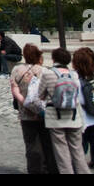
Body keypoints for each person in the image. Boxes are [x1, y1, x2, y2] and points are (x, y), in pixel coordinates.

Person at [37, 47, 88, 173]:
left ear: (54, 59)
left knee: (62, 152)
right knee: (78, 150)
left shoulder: (48, 74)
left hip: (56, 117)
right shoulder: (74, 74)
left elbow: (41, 95)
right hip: (73, 115)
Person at [10, 44, 55, 174]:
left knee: (31, 144)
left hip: (26, 113)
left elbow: (14, 89)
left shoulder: (17, 70)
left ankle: (34, 170)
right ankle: (48, 168)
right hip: (43, 112)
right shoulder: (45, 71)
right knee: (47, 142)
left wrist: (26, 103)